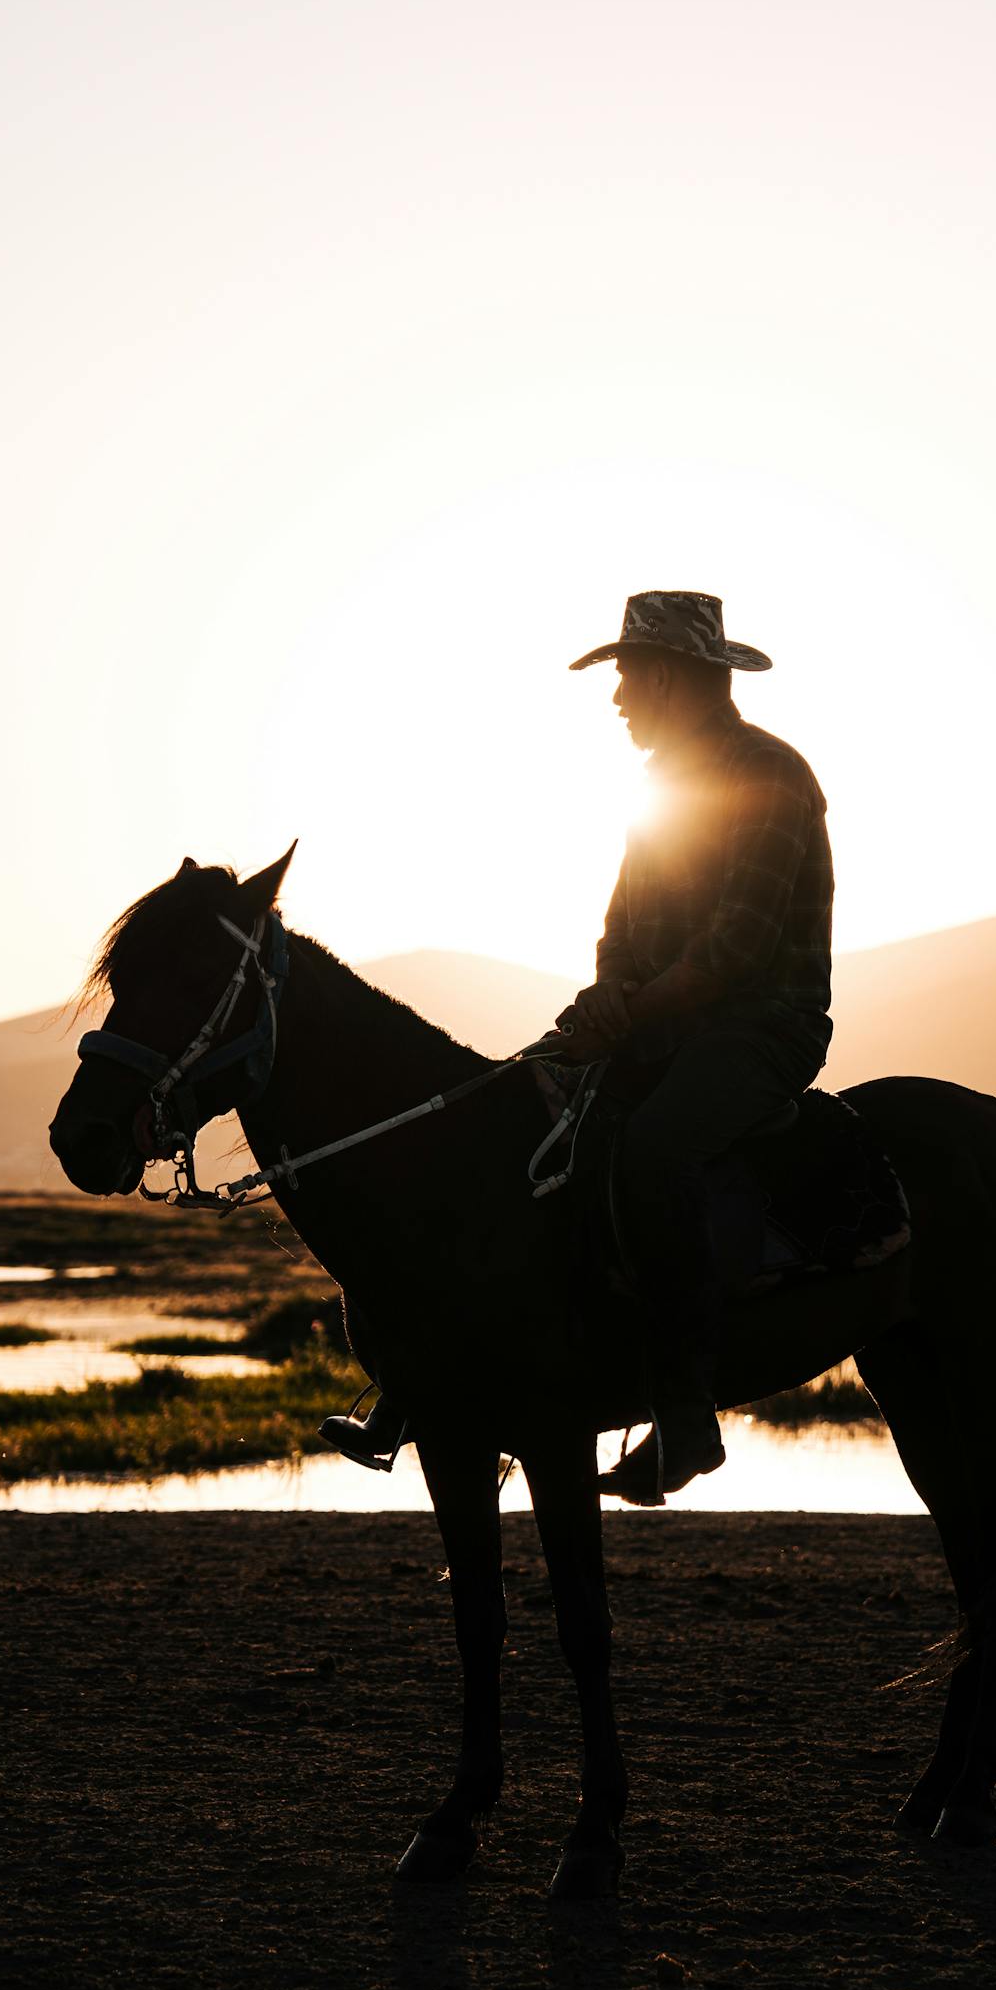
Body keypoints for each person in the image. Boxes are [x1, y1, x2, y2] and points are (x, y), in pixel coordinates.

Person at [321, 590, 834, 1503]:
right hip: (657, 1023)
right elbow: (620, 925)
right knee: (502, 1130)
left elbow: (735, 950)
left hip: (761, 1029)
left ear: (671, 676)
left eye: (629, 678)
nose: (619, 699)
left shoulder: (769, 777)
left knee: (655, 1153)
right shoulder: (662, 786)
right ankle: (419, 1387)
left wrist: (626, 1014)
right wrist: (604, 997)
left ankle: (684, 1418)